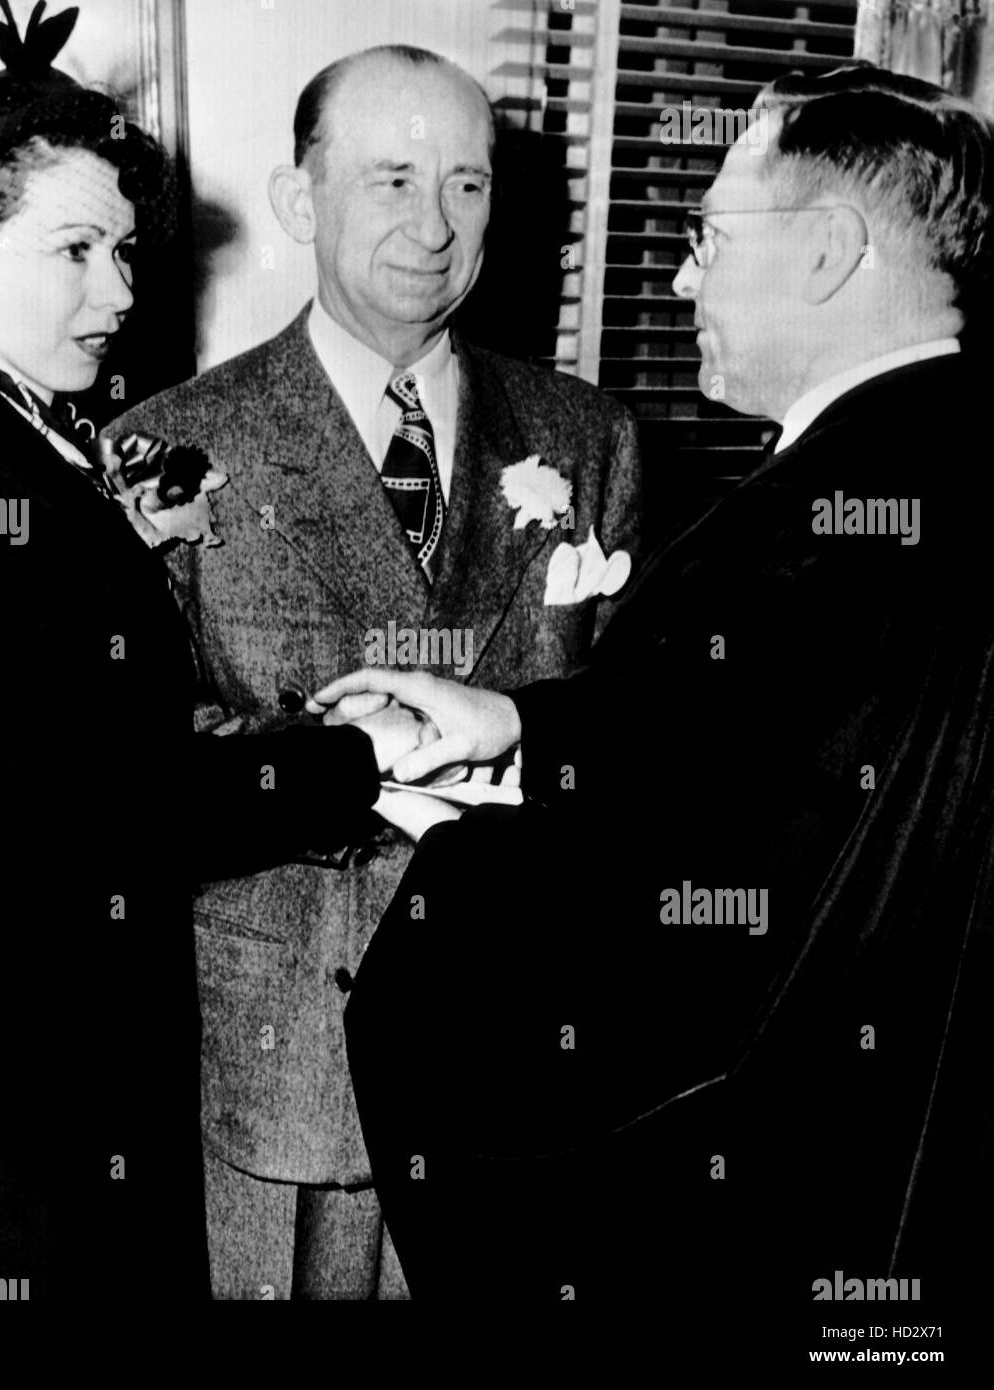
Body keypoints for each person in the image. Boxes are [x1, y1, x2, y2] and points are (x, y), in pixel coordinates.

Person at [316, 64, 994, 1322]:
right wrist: (521, 726)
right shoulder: (948, 465)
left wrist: (465, 843)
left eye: (705, 239)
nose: (680, 278)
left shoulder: (805, 523)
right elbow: (771, 748)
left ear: (829, 252)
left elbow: (698, 901)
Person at [0, 1, 412, 1300]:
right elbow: (107, 806)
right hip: (4, 1069)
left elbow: (90, 723)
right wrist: (359, 757)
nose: (123, 287)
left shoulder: (26, 450)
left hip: (70, 1030)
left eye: (126, 249)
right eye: (77, 249)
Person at [105, 43, 641, 1298]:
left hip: (516, 1062)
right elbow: (136, 757)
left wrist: (513, 753)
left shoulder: (589, 436)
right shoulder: (166, 448)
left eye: (467, 183)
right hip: (282, 1071)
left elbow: (637, 729)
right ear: (303, 200)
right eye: (392, 178)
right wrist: (350, 772)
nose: (434, 224)